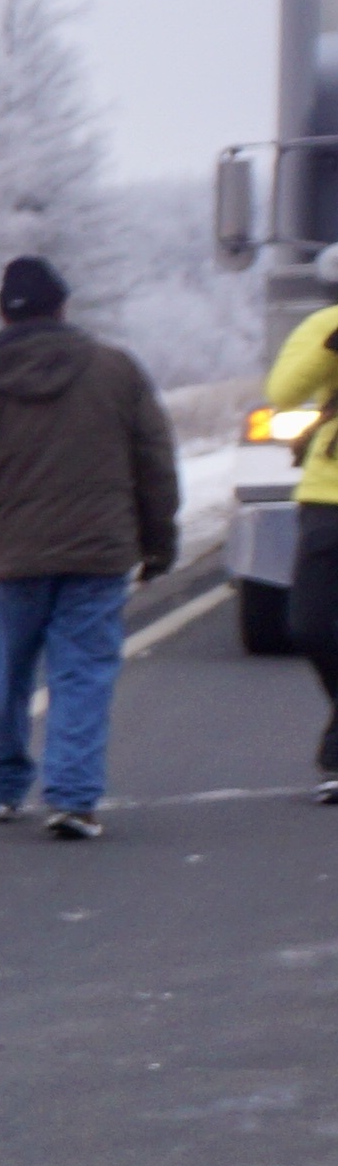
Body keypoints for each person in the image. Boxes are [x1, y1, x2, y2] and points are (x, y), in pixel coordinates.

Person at [0, 252, 183, 837]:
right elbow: (155, 463)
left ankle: (2, 788)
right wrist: (158, 543)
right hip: (99, 552)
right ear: (62, 307)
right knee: (82, 672)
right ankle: (73, 798)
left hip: (11, 556)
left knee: (8, 672)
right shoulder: (117, 372)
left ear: (3, 316)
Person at [267, 290, 338, 803]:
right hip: (326, 496)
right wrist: (328, 349)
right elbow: (285, 392)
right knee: (308, 625)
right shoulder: (324, 325)